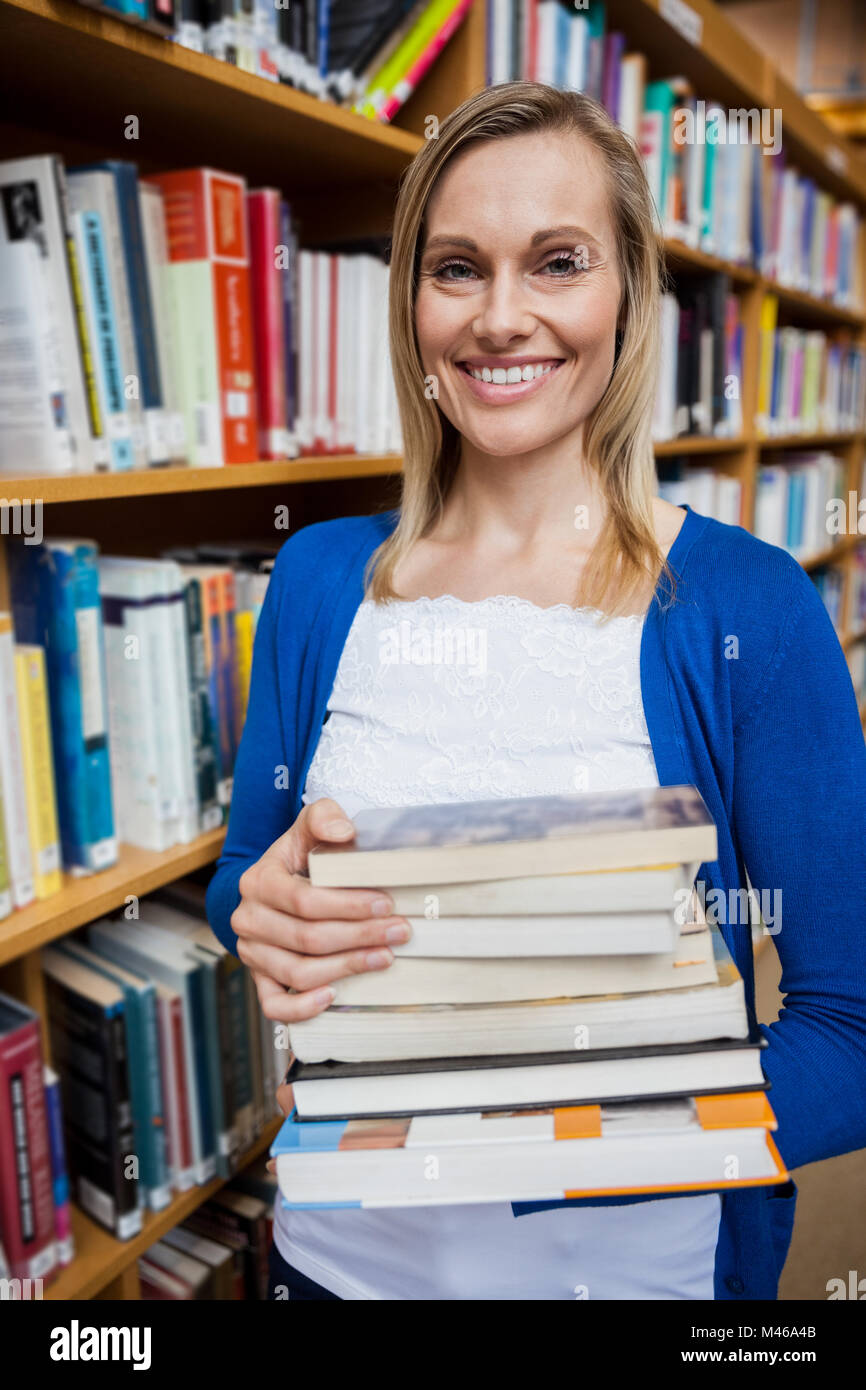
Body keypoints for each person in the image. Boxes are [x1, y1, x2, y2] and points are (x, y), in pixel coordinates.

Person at [206, 82, 866, 1300]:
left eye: (556, 262)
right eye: (456, 268)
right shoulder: (312, 583)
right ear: (411, 303)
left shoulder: (747, 608)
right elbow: (248, 872)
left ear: (626, 294)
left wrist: (549, 1126)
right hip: (333, 1270)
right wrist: (261, 915)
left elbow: (852, 1032)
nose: (500, 317)